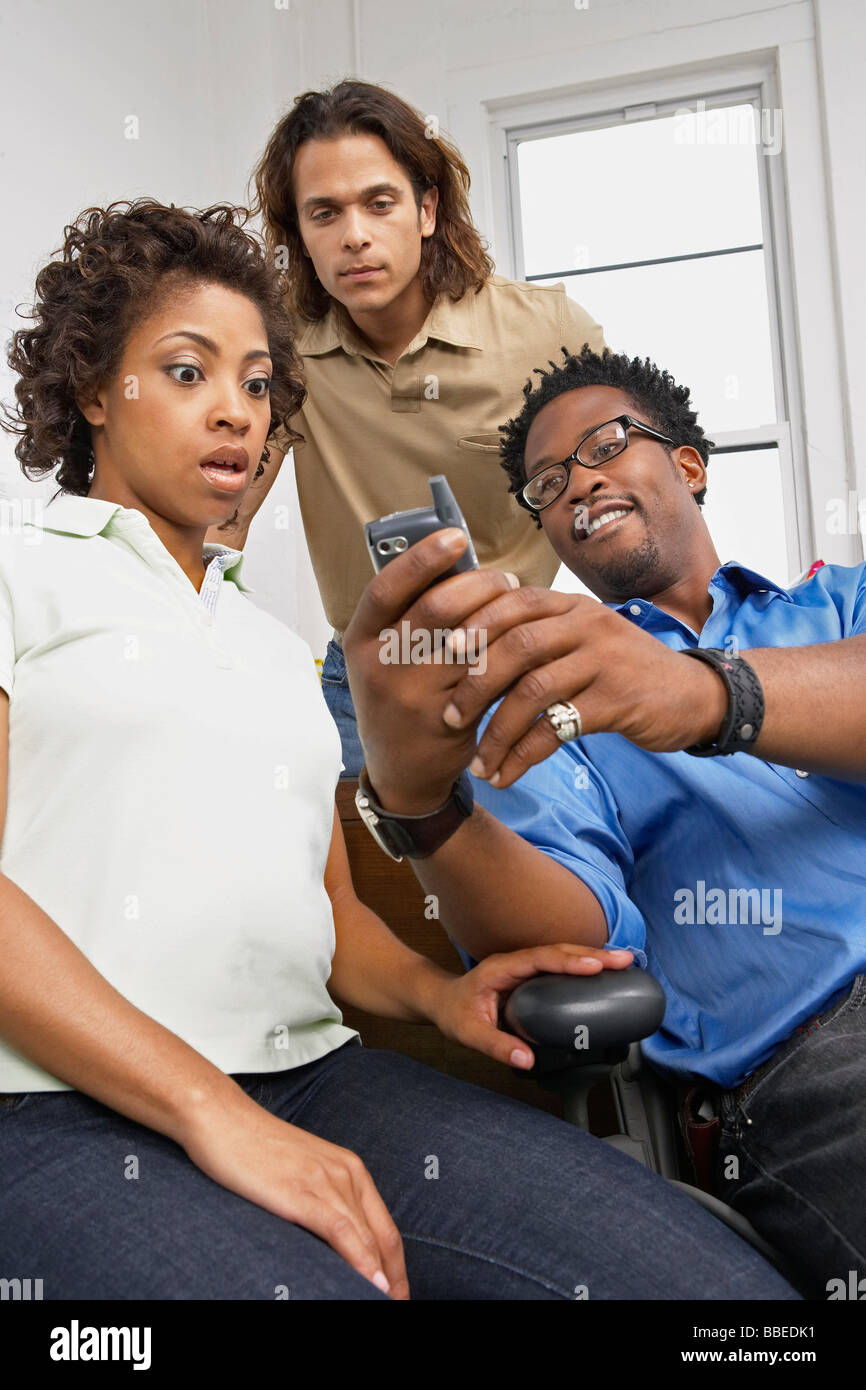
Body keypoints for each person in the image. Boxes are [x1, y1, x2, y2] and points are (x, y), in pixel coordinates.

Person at [0, 203, 799, 1302]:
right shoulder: (19, 574)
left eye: (256, 385)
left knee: (713, 1292)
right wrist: (211, 1109)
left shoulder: (277, 647)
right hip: (49, 1106)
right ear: (95, 391)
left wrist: (436, 998)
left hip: (313, 1078)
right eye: (187, 374)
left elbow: (323, 919)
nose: (234, 412)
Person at [341, 343, 866, 1300]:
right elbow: (563, 937)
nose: (577, 481)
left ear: (691, 465)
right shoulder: (546, 706)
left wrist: (704, 693)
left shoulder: (840, 605)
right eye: (549, 480)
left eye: (605, 445)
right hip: (822, 1068)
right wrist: (423, 807)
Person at [206, 79, 604, 776]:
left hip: (517, 671)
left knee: (549, 882)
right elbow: (223, 523)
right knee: (368, 883)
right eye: (324, 213)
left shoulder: (547, 333)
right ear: (300, 233)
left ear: (425, 209)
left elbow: (614, 500)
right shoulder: (282, 350)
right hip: (366, 686)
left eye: (379, 203)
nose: (354, 235)